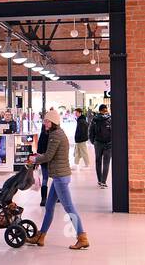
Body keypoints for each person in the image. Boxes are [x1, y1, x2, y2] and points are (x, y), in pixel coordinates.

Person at [27, 109, 88, 250]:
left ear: (53, 122)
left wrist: (35, 159)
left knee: (69, 207)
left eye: (47, 121)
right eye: (45, 121)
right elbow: (50, 155)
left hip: (60, 177)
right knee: (49, 207)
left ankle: (82, 237)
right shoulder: (57, 133)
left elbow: (48, 156)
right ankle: (41, 236)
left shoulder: (55, 135)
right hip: (59, 176)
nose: (44, 123)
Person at [90, 104, 113, 188]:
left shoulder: (95, 119)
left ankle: (99, 180)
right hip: (109, 143)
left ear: (99, 110)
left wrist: (93, 141)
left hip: (98, 143)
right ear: (105, 110)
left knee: (98, 162)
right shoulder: (110, 119)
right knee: (106, 163)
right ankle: (103, 182)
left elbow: (91, 131)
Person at [36, 114, 50, 206]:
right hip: (50, 160)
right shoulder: (54, 134)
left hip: (44, 160)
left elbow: (39, 148)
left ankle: (43, 199)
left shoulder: (42, 134)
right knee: (55, 179)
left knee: (45, 178)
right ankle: (56, 197)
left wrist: (38, 160)